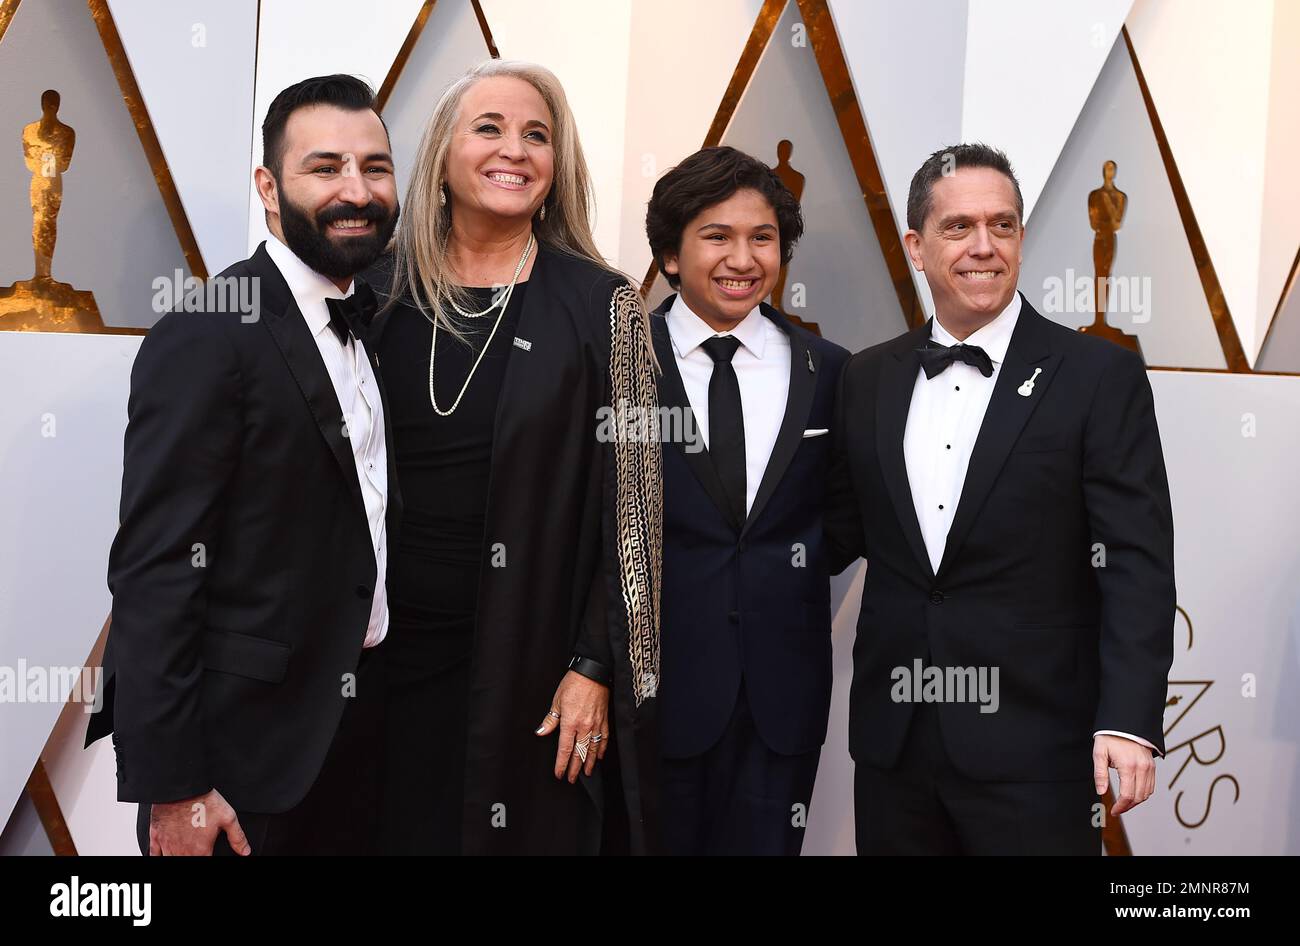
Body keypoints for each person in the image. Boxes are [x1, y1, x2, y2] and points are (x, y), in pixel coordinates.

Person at [827, 143, 1175, 855]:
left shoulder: (1097, 375)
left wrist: (1130, 719)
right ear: (916, 247)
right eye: (959, 228)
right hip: (896, 747)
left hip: (1039, 750)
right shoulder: (865, 379)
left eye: (1004, 225)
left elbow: (1136, 563)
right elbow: (835, 533)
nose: (984, 247)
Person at [86, 74, 401, 856]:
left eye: (375, 167)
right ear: (268, 186)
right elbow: (155, 573)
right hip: (236, 766)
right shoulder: (207, 332)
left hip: (359, 739)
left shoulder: (377, 319)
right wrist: (176, 786)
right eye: (324, 168)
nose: (355, 191)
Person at [368, 59, 662, 855]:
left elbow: (633, 513)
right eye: (490, 128)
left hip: (530, 663)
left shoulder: (604, 305)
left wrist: (595, 666)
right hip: (379, 663)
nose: (517, 149)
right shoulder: (374, 289)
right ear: (442, 152)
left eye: (538, 135)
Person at [644, 146, 848, 855]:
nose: (743, 258)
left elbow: (843, 516)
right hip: (650, 694)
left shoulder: (830, 373)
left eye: (762, 238)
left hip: (782, 698)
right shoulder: (619, 364)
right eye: (717, 236)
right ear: (670, 254)